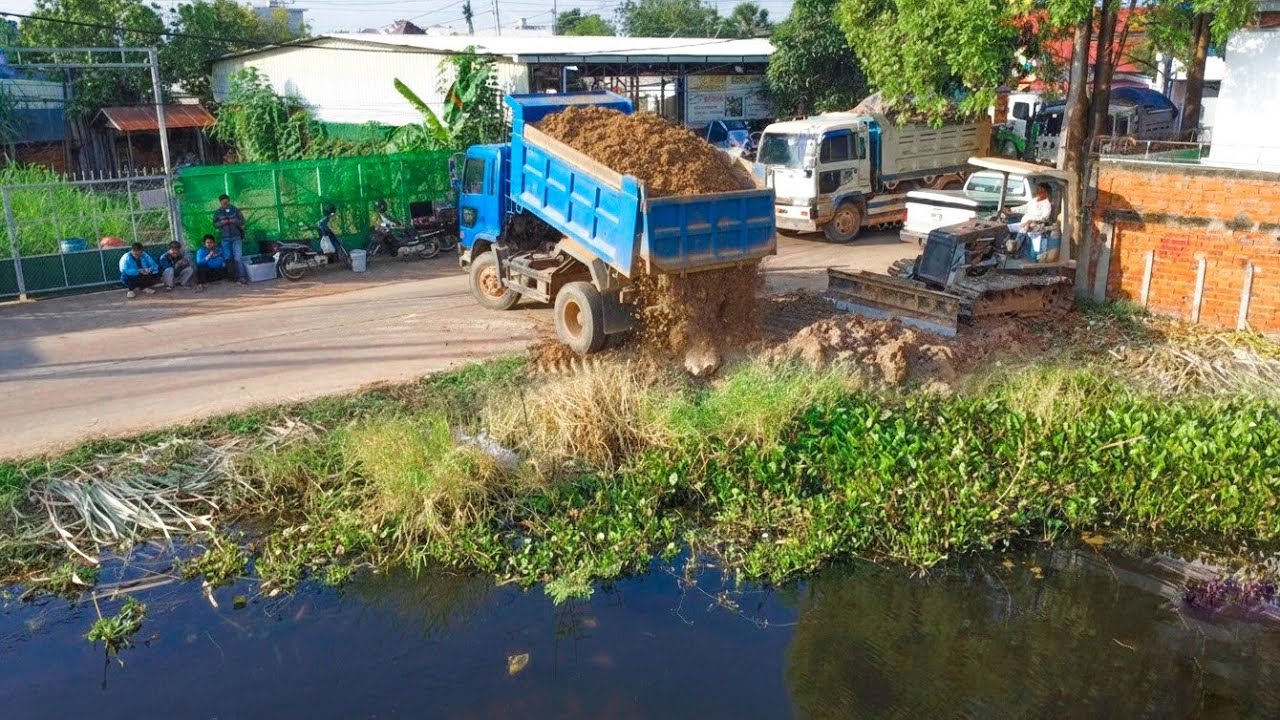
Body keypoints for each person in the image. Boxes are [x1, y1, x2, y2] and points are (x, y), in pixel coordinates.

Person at [213, 193, 246, 282]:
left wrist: (234, 221)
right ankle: (231, 277)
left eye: (226, 202)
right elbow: (215, 224)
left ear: (229, 201)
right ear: (220, 202)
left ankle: (241, 276)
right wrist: (222, 223)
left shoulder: (235, 210)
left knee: (238, 257)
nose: (225, 204)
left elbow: (242, 221)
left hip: (236, 237)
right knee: (228, 258)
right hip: (224, 238)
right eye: (223, 203)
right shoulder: (218, 212)